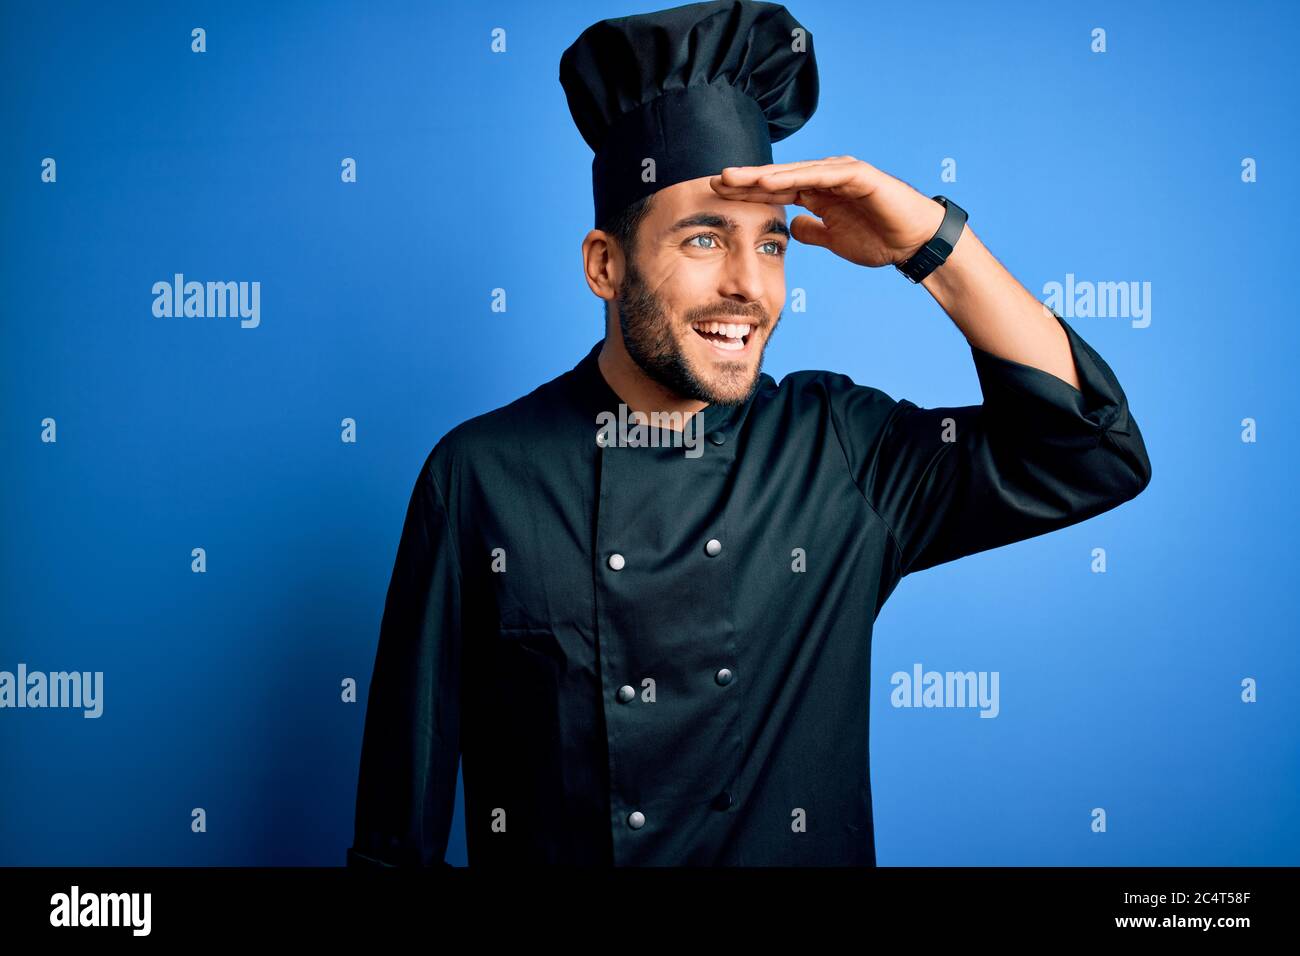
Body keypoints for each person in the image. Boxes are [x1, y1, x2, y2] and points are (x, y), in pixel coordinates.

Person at [347, 0, 1151, 867]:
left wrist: (930, 241)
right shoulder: (481, 475)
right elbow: (396, 838)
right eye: (704, 239)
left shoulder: (838, 451)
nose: (750, 287)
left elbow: (1091, 451)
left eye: (770, 246)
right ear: (605, 265)